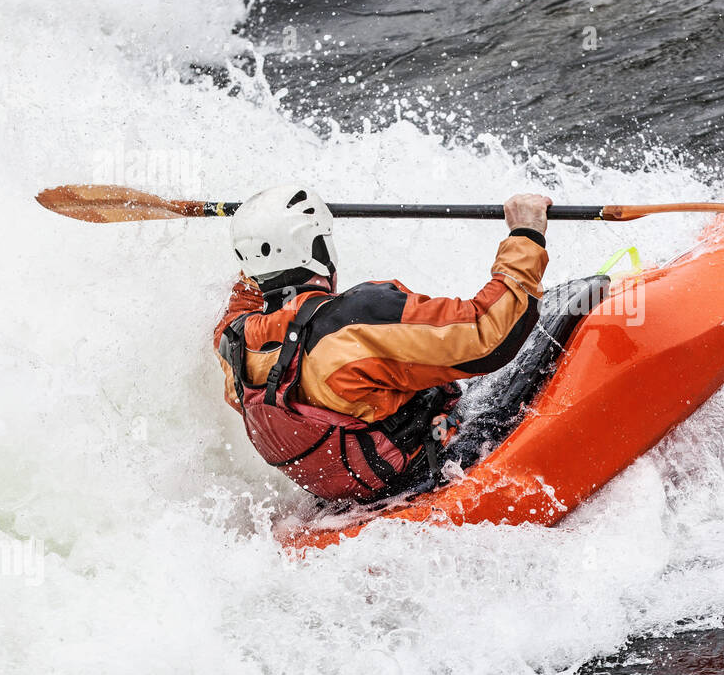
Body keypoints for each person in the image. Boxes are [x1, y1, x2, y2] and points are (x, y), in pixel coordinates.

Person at [214, 185, 552, 504]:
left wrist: (259, 246)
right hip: (436, 468)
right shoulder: (353, 325)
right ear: (317, 249)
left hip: (354, 500)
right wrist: (526, 234)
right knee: (559, 322)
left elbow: (243, 301)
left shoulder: (234, 343)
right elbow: (489, 335)